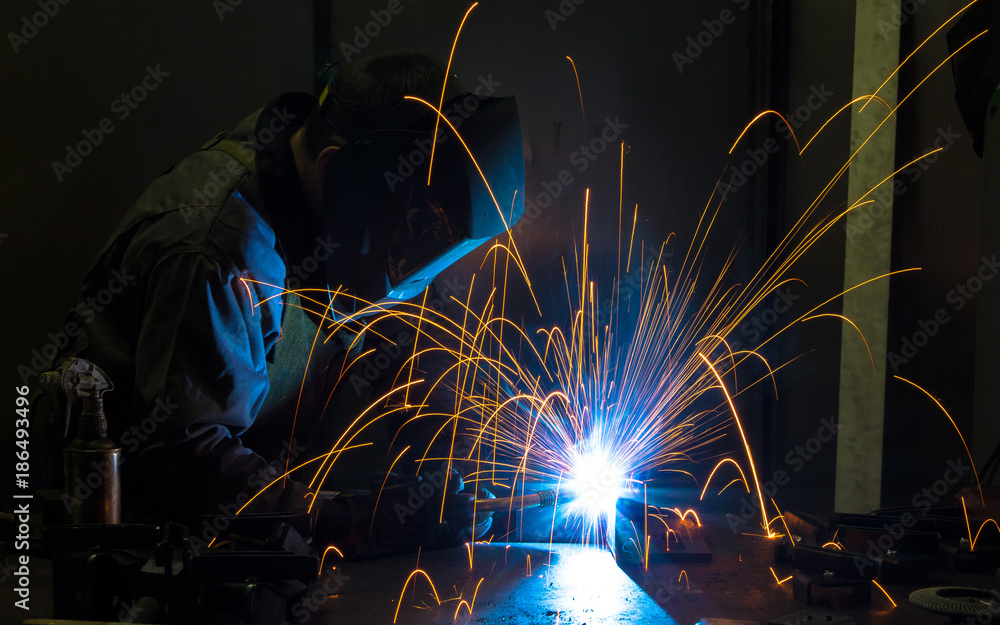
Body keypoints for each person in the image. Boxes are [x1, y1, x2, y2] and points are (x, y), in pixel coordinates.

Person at [37, 49, 525, 557]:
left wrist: (452, 436)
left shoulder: (332, 195)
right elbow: (185, 461)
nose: (409, 265)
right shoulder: (216, 250)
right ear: (336, 172)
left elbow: (394, 323)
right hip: (142, 553)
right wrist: (347, 519)